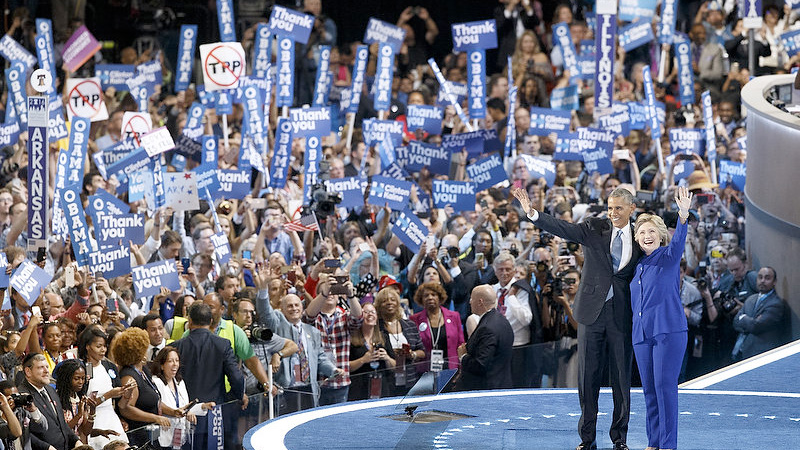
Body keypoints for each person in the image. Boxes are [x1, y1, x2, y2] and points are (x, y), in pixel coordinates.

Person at [514, 186, 641, 450]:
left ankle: (620, 439)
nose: (613, 213)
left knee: (621, 378)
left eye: (619, 208)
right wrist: (533, 213)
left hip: (622, 315)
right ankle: (587, 439)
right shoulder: (594, 227)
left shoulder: (640, 235)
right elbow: (563, 228)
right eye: (610, 207)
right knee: (587, 377)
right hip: (591, 313)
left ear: (632, 208)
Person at [630, 186, 692, 450]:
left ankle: (668, 445)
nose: (647, 235)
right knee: (649, 391)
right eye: (642, 232)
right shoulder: (636, 267)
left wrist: (683, 215)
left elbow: (679, 241)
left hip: (668, 332)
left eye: (652, 231)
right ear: (636, 238)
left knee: (665, 388)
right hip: (641, 336)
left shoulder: (669, 256)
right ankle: (653, 442)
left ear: (661, 235)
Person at [170, 303, 243, 450]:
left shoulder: (177, 347)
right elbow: (237, 378)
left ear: (190, 321)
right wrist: (229, 398)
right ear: (210, 321)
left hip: (186, 414)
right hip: (215, 413)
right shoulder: (222, 344)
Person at [112, 328, 170, 447]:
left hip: (150, 434)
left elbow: (153, 400)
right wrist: (155, 418)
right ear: (138, 352)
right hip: (137, 436)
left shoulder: (144, 371)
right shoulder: (129, 377)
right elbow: (126, 409)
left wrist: (173, 411)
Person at [77, 325, 131, 449]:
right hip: (93, 421)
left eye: (104, 346)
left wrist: (127, 392)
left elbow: (120, 402)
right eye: (98, 346)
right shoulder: (82, 369)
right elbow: (84, 404)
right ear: (87, 346)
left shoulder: (109, 366)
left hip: (112, 419)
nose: (103, 350)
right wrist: (108, 395)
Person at [150, 347, 214, 450]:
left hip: (180, 435)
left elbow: (184, 409)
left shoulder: (179, 382)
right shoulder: (156, 382)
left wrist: (203, 406)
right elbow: (157, 406)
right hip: (163, 436)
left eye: (177, 360)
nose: (175, 364)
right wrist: (175, 412)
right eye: (170, 361)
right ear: (161, 365)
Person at [455, 285, 514, 391]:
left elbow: (480, 365)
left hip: (486, 390)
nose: (469, 302)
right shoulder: (502, 320)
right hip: (500, 384)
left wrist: (463, 356)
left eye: (472, 299)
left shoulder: (487, 328)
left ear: (480, 302)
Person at [17, 353, 80, 450]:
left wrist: (76, 441)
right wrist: (47, 448)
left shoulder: (51, 390)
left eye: (47, 367)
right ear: (28, 371)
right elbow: (23, 432)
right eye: (41, 367)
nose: (46, 371)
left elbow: (62, 423)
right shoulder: (22, 396)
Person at [374, 287, 425, 396]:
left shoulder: (410, 325)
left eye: (392, 300)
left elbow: (422, 351)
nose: (389, 303)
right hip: (386, 381)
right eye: (384, 301)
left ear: (398, 303)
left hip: (410, 379)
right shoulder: (375, 327)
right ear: (378, 305)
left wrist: (412, 354)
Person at [732, 267, 787, 361]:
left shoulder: (776, 304)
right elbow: (736, 322)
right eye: (760, 277)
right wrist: (750, 322)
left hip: (763, 356)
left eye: (767, 278)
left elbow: (756, 326)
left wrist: (744, 318)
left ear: (774, 282)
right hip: (744, 351)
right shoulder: (750, 299)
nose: (762, 281)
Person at [409, 283, 465, 373]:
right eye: (426, 296)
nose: (430, 297)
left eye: (433, 294)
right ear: (421, 299)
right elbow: (414, 345)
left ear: (440, 297)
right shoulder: (414, 319)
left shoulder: (454, 316)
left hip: (451, 368)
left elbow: (461, 344)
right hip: (425, 370)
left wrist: (461, 368)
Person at [347, 302, 396, 401]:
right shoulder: (350, 339)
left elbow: (395, 366)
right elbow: (345, 367)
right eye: (366, 312)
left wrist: (387, 358)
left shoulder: (384, 337)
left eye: (373, 312)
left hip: (382, 389)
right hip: (358, 390)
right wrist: (363, 360)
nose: (370, 314)